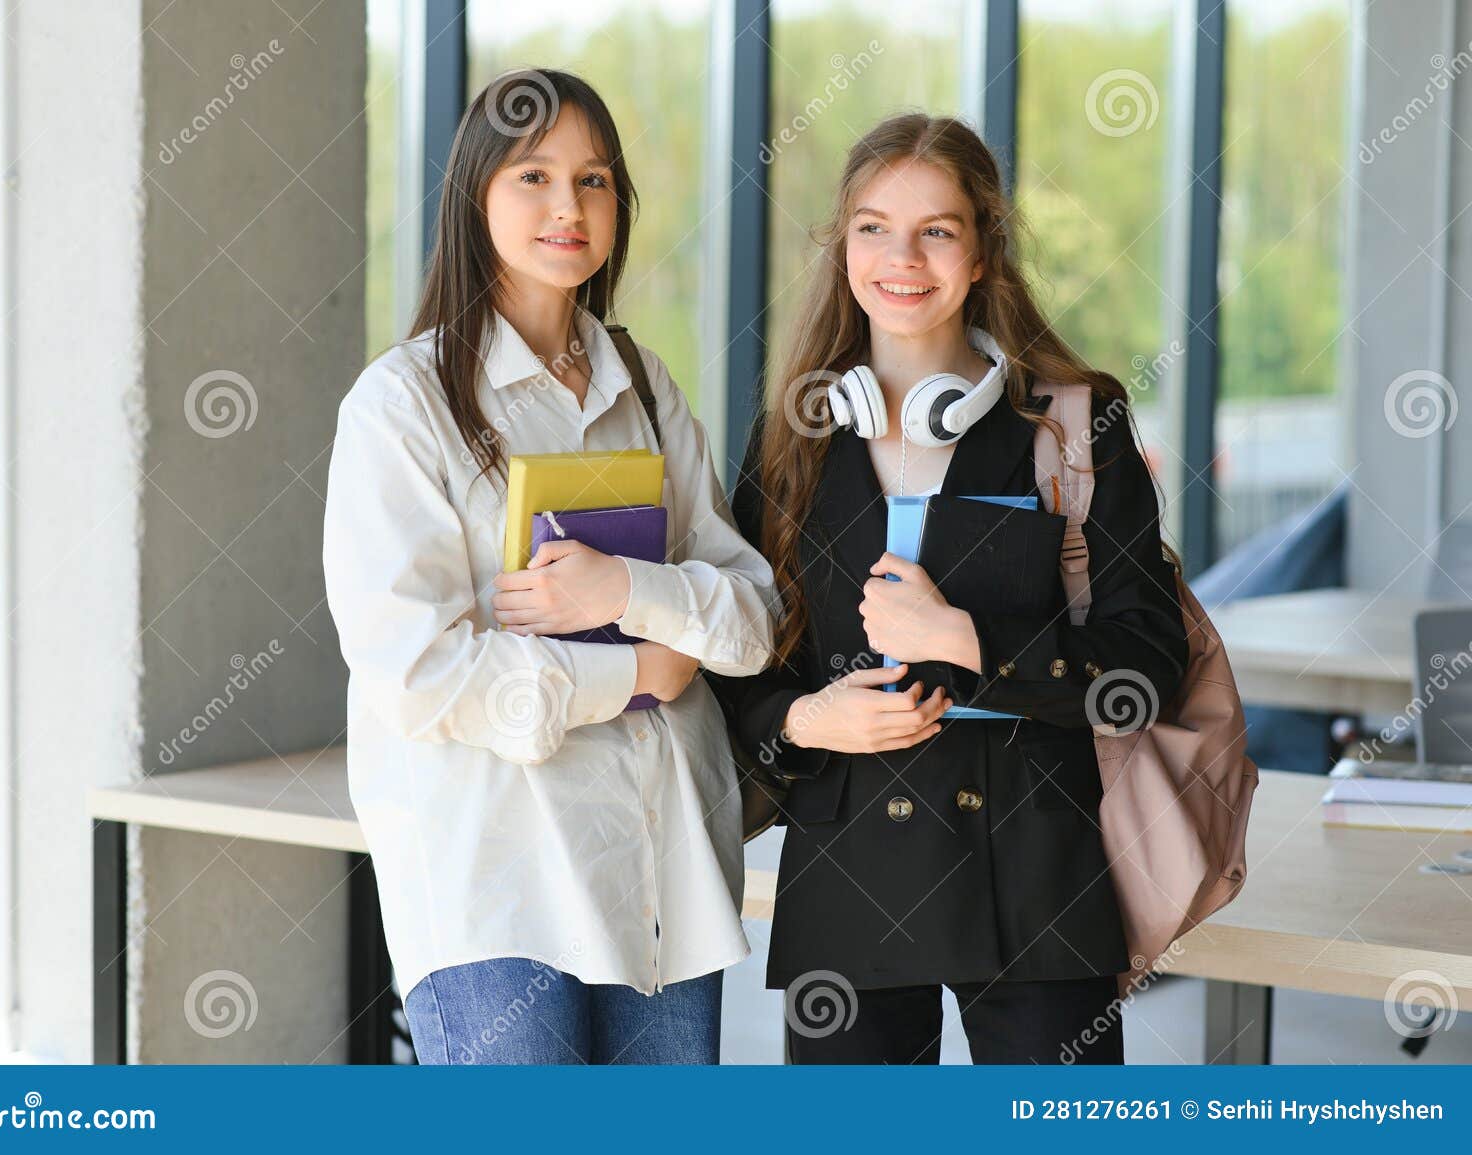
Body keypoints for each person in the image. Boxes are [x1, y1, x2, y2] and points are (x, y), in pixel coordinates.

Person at [707, 113, 1189, 1065]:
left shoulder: (1071, 427)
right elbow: (731, 669)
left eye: (937, 229)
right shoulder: (791, 443)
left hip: (1037, 873)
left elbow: (1148, 669)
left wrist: (970, 639)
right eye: (873, 226)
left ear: (981, 254)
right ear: (841, 244)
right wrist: (807, 721)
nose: (903, 256)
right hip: (849, 879)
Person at [322, 69, 775, 1065]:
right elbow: (416, 673)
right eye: (534, 176)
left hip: (660, 881)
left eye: (596, 179)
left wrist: (628, 592)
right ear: (475, 195)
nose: (569, 207)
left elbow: (748, 621)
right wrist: (635, 671)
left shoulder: (646, 387)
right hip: (496, 884)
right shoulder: (403, 407)